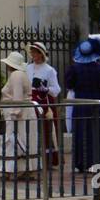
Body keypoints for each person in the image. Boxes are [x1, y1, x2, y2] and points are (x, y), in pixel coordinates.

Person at [64, 37, 100, 174]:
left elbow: (70, 88)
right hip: (98, 105)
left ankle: (81, 162)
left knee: (82, 133)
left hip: (80, 106)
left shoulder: (74, 69)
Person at [0, 52, 39, 177]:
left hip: (19, 114)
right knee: (25, 140)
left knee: (15, 141)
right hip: (25, 112)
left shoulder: (16, 75)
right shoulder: (21, 74)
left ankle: (13, 170)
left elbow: (17, 96)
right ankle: (26, 169)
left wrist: (14, 113)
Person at [26, 39, 61, 167]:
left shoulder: (49, 70)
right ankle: (33, 158)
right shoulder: (27, 68)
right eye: (32, 52)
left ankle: (48, 160)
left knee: (46, 130)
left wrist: (44, 89)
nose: (33, 54)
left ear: (41, 54)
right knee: (31, 129)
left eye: (35, 52)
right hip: (30, 101)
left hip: (44, 102)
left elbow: (56, 90)